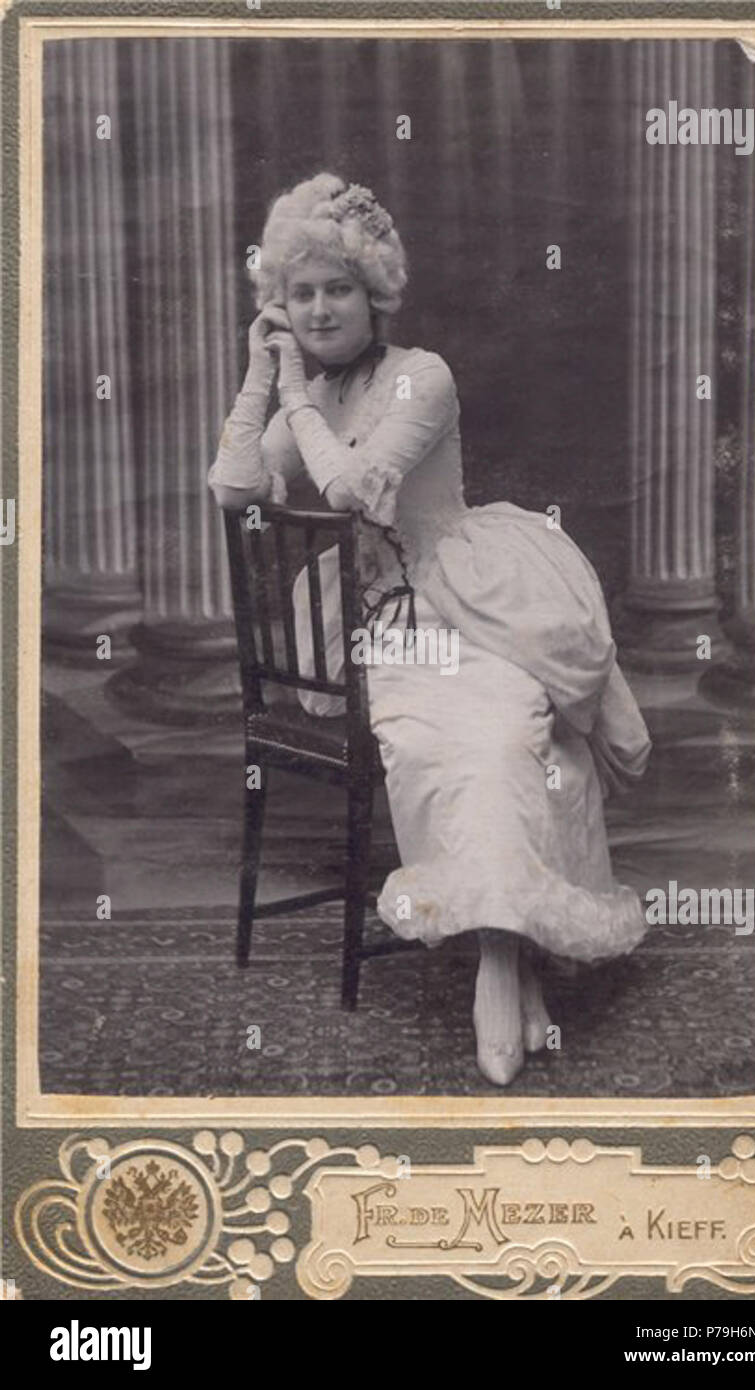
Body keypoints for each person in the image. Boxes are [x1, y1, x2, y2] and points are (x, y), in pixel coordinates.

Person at [209, 172, 652, 1087]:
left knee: (511, 735)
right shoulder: (305, 388)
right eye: (301, 293)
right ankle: (510, 954)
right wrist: (264, 377)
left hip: (476, 593)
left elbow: (352, 488)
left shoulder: (423, 376)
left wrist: (293, 391)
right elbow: (233, 486)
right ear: (279, 305)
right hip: (373, 624)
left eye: (338, 288)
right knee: (441, 742)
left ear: (373, 293)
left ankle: (503, 954)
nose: (322, 308)